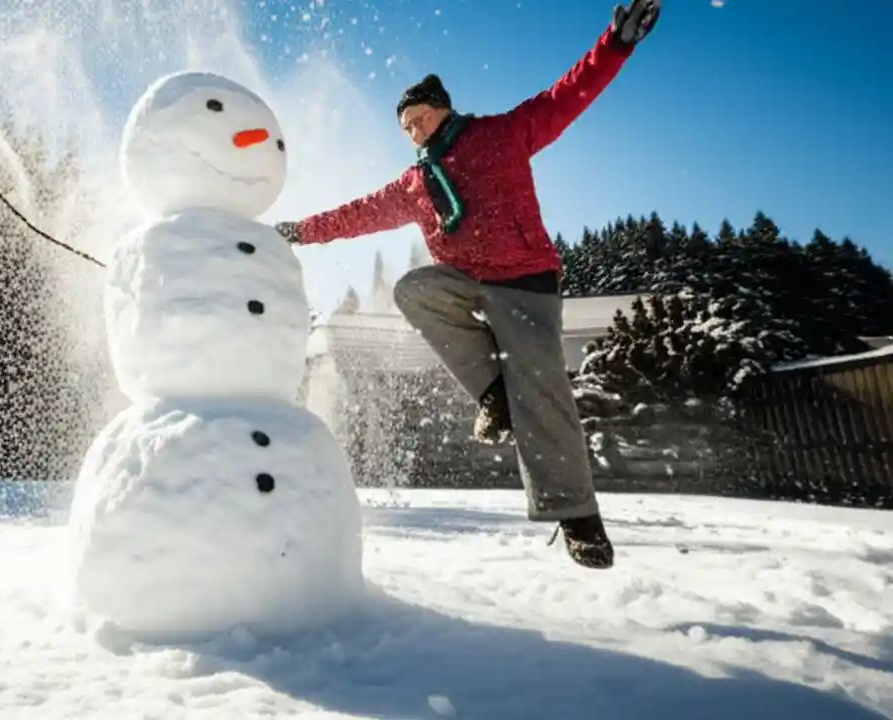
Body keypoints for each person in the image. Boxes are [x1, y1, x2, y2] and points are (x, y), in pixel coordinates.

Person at [275, 0, 661, 569]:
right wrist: (301, 232)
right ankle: (492, 393)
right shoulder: (413, 184)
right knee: (414, 289)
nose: (413, 132)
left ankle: (579, 516)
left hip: (525, 283)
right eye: (405, 128)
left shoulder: (502, 135)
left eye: (419, 120)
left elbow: (567, 96)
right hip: (465, 281)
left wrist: (617, 43)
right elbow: (357, 214)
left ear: (442, 108)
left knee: (545, 394)